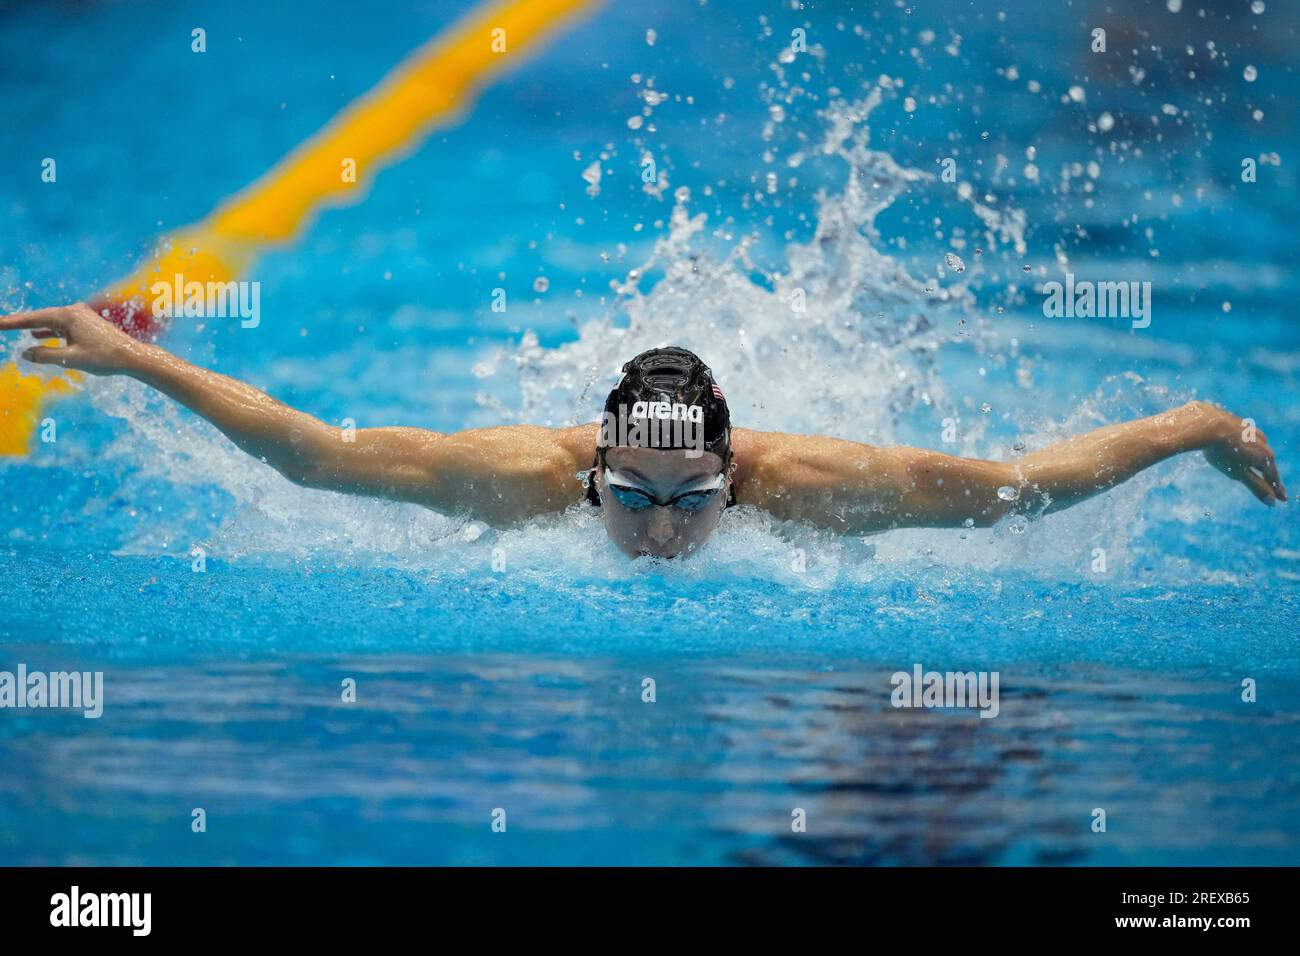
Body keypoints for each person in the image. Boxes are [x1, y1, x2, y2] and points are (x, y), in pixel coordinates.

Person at [1, 303, 1287, 559]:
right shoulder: (519, 480)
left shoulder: (815, 488)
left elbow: (1019, 487)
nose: (660, 532)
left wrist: (1190, 424)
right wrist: (130, 360)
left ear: (735, 477)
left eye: (691, 504)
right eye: (636, 499)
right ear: (593, 470)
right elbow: (315, 451)